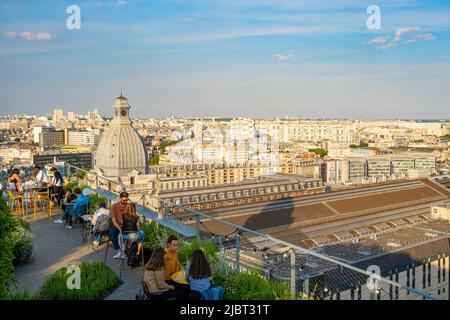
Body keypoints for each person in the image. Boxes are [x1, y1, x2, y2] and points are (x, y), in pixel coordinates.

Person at [109, 191, 129, 259]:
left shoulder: (129, 206)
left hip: (127, 226)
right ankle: (119, 251)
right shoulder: (114, 206)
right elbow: (113, 220)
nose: (125, 201)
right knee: (112, 233)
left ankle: (127, 252)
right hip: (118, 226)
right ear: (120, 198)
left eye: (127, 200)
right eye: (124, 200)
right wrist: (119, 228)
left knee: (127, 235)